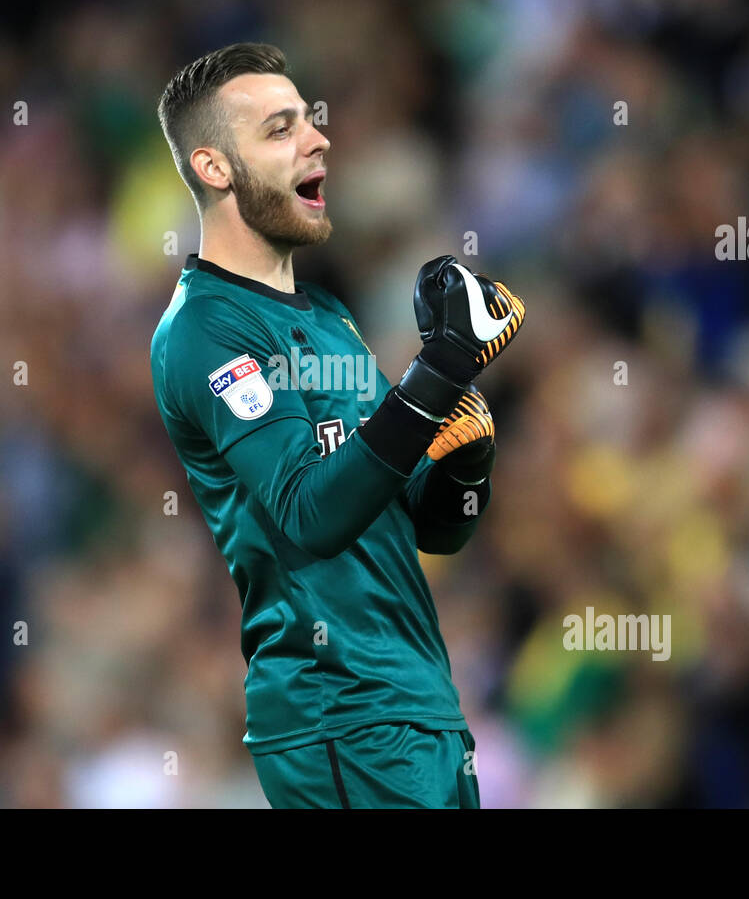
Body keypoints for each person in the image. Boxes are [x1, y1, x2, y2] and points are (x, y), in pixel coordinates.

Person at [150, 42, 525, 807]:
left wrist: (464, 459)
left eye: (310, 123)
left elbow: (431, 526)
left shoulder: (328, 319)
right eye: (281, 129)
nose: (318, 139)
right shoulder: (205, 330)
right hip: (339, 712)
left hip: (417, 704)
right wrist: (443, 365)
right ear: (216, 167)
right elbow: (310, 514)